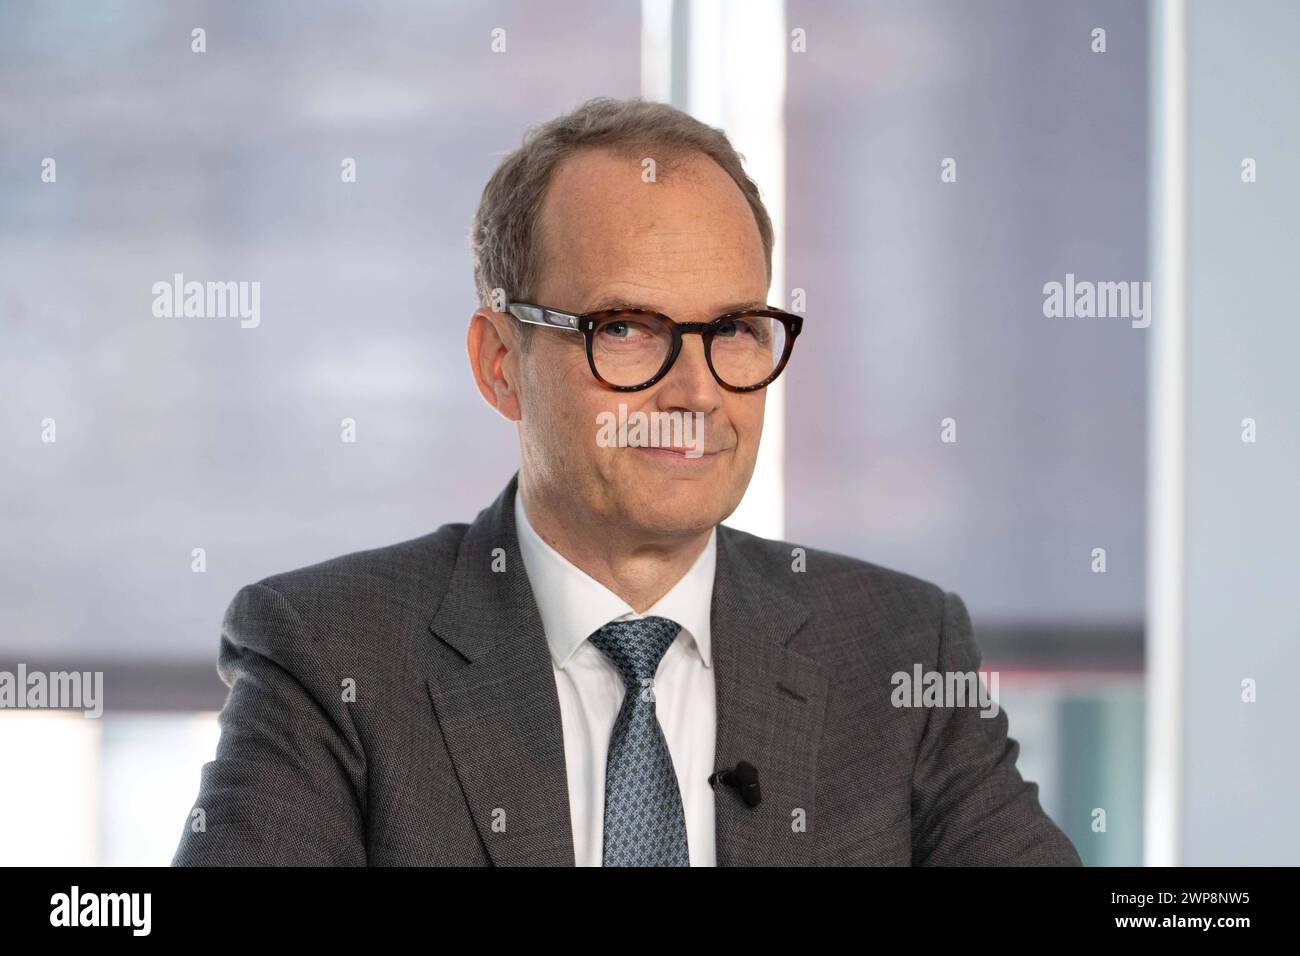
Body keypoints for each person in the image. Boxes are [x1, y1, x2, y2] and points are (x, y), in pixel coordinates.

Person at [173, 97, 1081, 866]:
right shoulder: (331, 656)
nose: (696, 391)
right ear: (500, 364)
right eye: (627, 329)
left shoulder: (896, 650)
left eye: (733, 329)